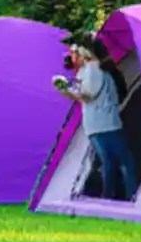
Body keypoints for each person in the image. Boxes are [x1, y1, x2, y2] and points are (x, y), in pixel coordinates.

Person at [53, 33, 136, 201]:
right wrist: (65, 87)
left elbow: (84, 95)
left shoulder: (89, 70)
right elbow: (87, 95)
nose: (71, 56)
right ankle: (129, 194)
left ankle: (109, 196)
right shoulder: (90, 68)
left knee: (109, 162)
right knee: (124, 160)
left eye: (74, 52)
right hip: (106, 123)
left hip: (95, 125)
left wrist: (65, 88)